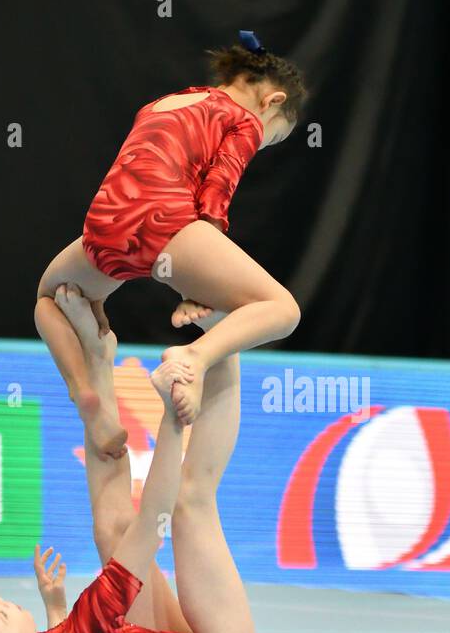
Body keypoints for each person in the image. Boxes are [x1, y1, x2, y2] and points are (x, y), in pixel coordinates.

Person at [0, 287, 260, 633]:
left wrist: (55, 607)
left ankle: (98, 356)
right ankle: (223, 345)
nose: (1, 602)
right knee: (189, 502)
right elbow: (153, 517)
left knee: (111, 531)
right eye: (1, 617)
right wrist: (172, 418)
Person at [33, 31, 307, 460]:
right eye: (273, 138)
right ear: (271, 102)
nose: (263, 142)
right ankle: (194, 357)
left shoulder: (172, 99)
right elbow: (217, 193)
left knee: (48, 298)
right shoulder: (245, 118)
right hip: (163, 220)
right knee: (283, 310)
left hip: (104, 225)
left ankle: (85, 394)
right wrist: (199, 285)